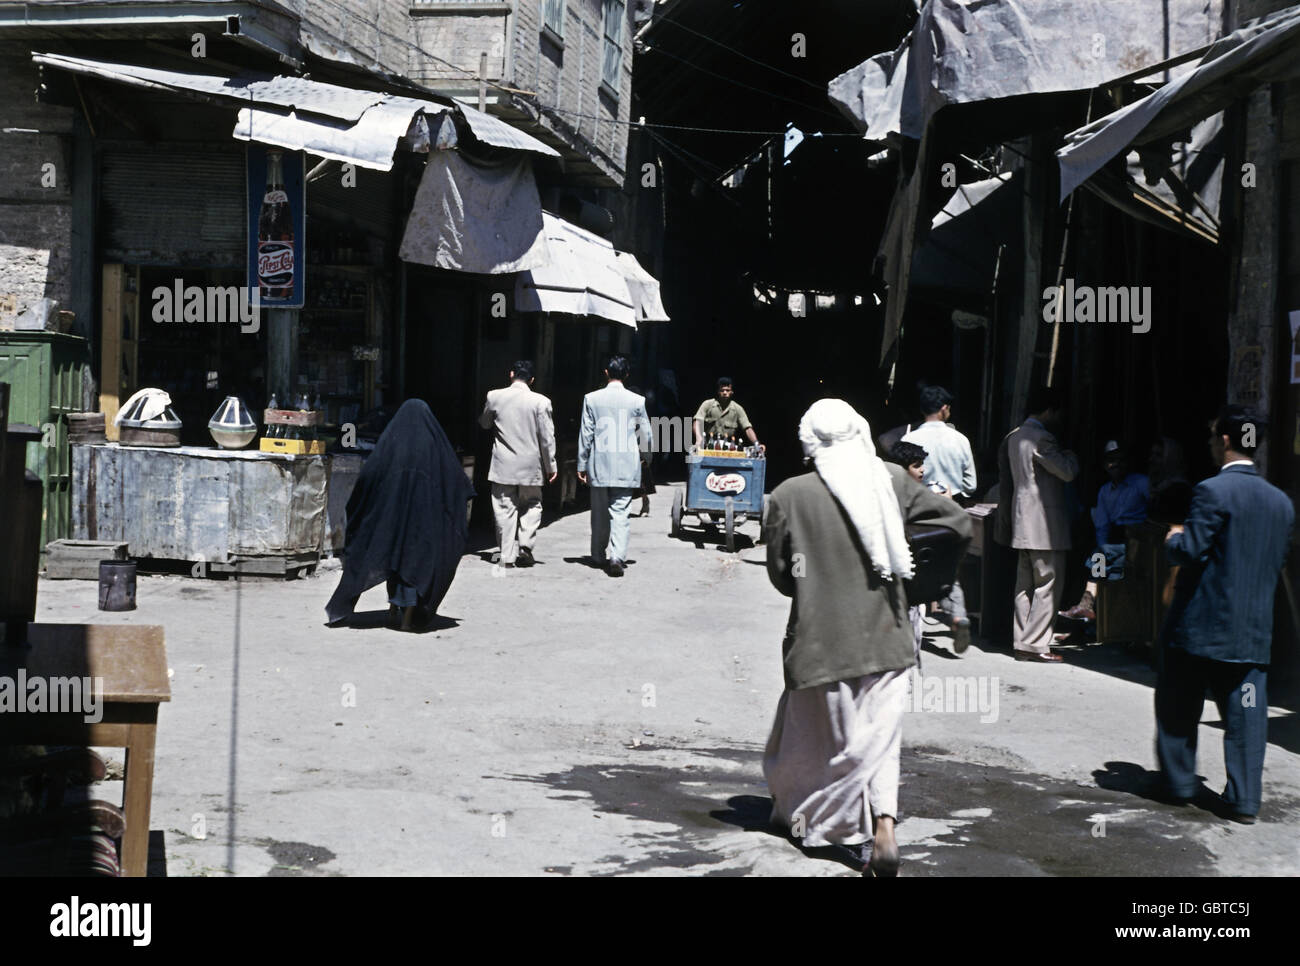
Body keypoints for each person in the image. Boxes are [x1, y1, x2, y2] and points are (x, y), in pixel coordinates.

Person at [763, 399, 971, 876]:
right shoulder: (892, 481)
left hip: (820, 643)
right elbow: (956, 523)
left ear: (809, 439)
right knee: (878, 740)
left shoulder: (789, 495)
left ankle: (822, 823)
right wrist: (912, 572)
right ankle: (885, 827)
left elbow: (779, 574)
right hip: (890, 639)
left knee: (818, 736)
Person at [1156, 405, 1294, 823]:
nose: (1213, 443)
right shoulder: (1281, 503)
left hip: (1199, 627)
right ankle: (1244, 800)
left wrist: (1174, 538)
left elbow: (1192, 549)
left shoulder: (1212, 491)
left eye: (1215, 436)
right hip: (1250, 633)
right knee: (1247, 713)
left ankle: (1180, 783)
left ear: (1227, 440)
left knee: (1179, 703)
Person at [325, 399, 474, 631]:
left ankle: (394, 611)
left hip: (391, 524)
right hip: (422, 529)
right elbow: (457, 481)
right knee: (415, 562)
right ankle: (405, 617)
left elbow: (369, 477)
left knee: (394, 561)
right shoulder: (434, 449)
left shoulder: (390, 446)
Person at [995, 384, 1079, 662]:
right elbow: (1066, 472)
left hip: (1021, 522)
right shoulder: (1042, 439)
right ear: (1049, 410)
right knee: (1047, 584)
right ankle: (1036, 644)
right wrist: (1072, 455)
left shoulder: (1013, 437)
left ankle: (1022, 640)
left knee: (1024, 585)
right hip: (1044, 524)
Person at [901, 385, 977, 653]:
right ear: (944, 408)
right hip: (951, 512)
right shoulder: (960, 440)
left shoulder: (910, 439)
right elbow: (970, 484)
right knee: (949, 567)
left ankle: (910, 627)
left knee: (914, 567)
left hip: (917, 515)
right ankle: (957, 613)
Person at [1059, 441, 1150, 621]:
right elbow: (1102, 525)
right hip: (1114, 540)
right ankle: (1089, 610)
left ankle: (1088, 607)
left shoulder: (1140, 483)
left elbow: (1153, 509)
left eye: (1119, 460)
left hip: (1137, 539)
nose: (1115, 464)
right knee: (1098, 560)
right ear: (1104, 465)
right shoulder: (1105, 491)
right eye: (1111, 461)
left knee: (1101, 563)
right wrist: (1103, 548)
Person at [479, 361, 557, 569]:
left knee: (504, 508)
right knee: (532, 503)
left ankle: (506, 555)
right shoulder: (541, 402)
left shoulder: (494, 396)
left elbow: (485, 423)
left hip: (503, 464)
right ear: (532, 379)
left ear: (511, 374)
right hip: (532, 465)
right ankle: (525, 545)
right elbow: (547, 438)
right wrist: (551, 466)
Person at [577, 356, 649, 577]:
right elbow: (645, 433)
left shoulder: (591, 398)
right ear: (627, 375)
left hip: (599, 463)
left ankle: (598, 555)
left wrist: (582, 463)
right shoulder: (637, 401)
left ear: (606, 373)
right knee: (621, 513)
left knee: (598, 512)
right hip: (627, 465)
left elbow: (586, 434)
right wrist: (647, 457)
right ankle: (617, 556)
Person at [693, 377, 764, 452]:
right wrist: (699, 440)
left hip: (728, 447)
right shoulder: (708, 404)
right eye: (722, 390)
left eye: (727, 390)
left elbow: (747, 428)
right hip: (709, 445)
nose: (724, 392)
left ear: (732, 392)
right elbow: (697, 422)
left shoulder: (737, 409)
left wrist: (757, 444)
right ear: (718, 391)